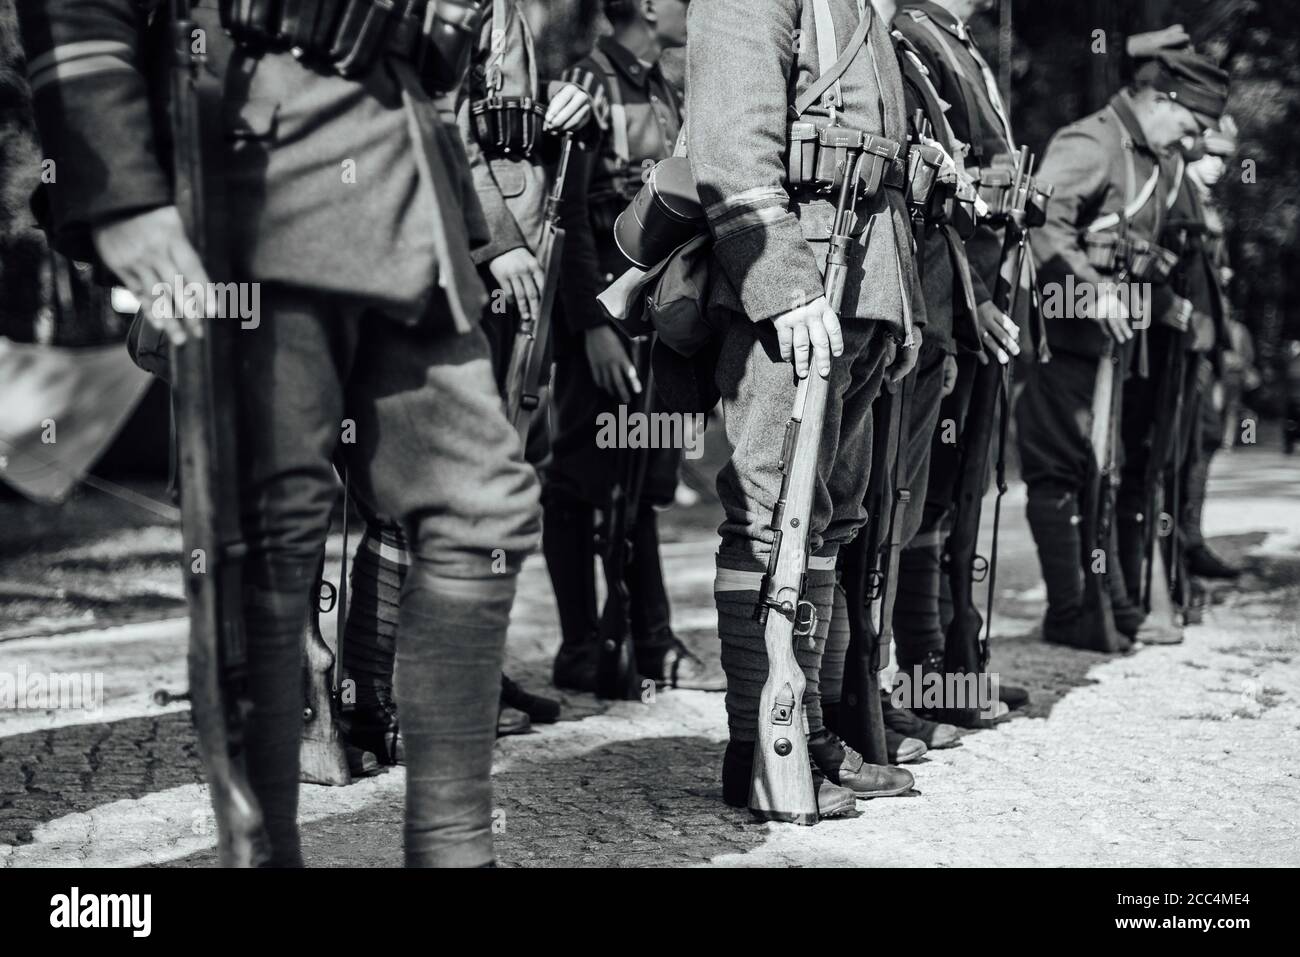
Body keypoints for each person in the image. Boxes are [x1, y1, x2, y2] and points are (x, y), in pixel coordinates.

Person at [16, 0, 540, 867]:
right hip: (258, 152)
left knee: (482, 501)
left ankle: (455, 853)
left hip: (400, 152)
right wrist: (122, 190)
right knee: (275, 524)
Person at [339, 0, 597, 765]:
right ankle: (370, 698)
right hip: (464, 262)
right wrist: (497, 242)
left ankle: (473, 673)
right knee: (416, 494)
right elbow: (437, 112)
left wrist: (558, 116)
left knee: (500, 476)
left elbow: (495, 118)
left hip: (515, 267)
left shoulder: (521, 11)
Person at [687, 0, 920, 815]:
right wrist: (783, 287)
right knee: (769, 510)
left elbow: (877, 160)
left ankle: (814, 731)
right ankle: (765, 742)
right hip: (798, 287)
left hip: (862, 284)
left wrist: (903, 304)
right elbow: (728, 145)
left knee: (828, 515)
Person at [1017, 47, 1228, 651]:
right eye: (1188, 125)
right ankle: (1070, 611)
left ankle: (1105, 602)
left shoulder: (1144, 155)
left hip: (1111, 349)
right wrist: (1091, 291)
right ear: (1162, 100)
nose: (1188, 140)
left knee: (1101, 478)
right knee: (1059, 473)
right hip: (1065, 339)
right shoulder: (1093, 142)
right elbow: (1043, 228)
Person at [545, 0, 718, 692]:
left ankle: (648, 638)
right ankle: (582, 644)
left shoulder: (664, 86)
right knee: (579, 480)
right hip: (605, 324)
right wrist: (592, 326)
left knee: (641, 483)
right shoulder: (588, 81)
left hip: (657, 324)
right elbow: (568, 215)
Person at [889, 0, 1024, 717]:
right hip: (950, 294)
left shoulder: (956, 41)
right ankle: (926, 668)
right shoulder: (915, 34)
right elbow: (943, 197)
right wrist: (976, 304)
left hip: (973, 292)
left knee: (961, 486)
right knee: (930, 490)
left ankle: (954, 656)